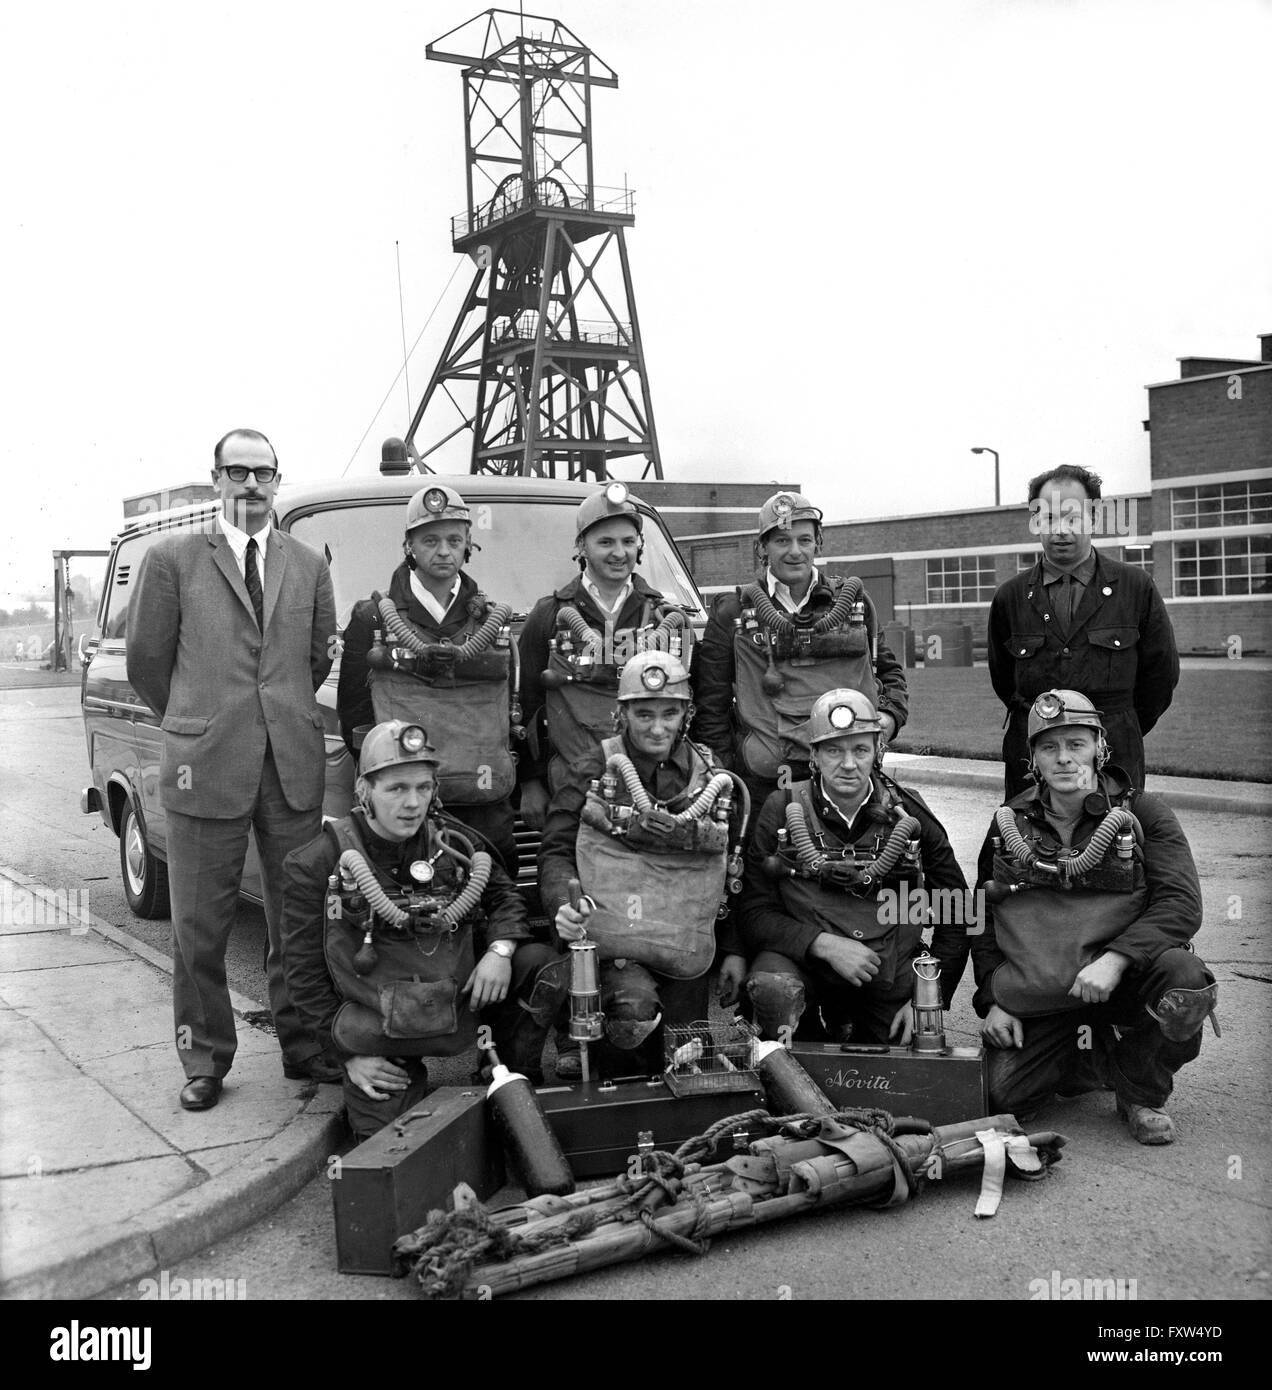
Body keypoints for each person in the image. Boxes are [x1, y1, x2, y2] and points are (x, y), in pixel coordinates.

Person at [126, 428, 339, 1110]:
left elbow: (314, 663)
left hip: (290, 765)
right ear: (216, 478)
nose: (252, 485)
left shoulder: (307, 564)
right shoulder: (173, 560)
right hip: (204, 767)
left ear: (278, 480)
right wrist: (201, 720)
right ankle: (205, 1059)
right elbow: (147, 664)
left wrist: (275, 720)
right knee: (199, 927)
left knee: (298, 918)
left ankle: (304, 1046)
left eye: (264, 473)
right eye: (238, 472)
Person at [280, 721, 567, 1141]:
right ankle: (399, 1077)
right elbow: (302, 973)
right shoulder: (317, 863)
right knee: (390, 1148)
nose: (412, 803)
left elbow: (506, 897)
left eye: (423, 787)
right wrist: (347, 1057)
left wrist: (501, 950)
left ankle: (507, 1071)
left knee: (537, 963)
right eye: (396, 789)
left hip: (454, 1003)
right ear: (364, 792)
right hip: (379, 1026)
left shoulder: (454, 842)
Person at [971, 689, 1218, 1145]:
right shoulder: (1009, 822)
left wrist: (1117, 958)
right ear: (1033, 759)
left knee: (1185, 981)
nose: (1064, 759)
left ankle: (1140, 1091)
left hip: (1119, 982)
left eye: (1076, 744)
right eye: (1049, 747)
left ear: (1100, 748)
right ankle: (1089, 1053)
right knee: (1000, 1095)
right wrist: (992, 998)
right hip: (1044, 990)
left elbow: (1181, 905)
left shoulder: (1144, 814)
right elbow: (981, 912)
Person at [538, 651, 748, 1079]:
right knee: (631, 1019)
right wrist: (564, 903)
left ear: (686, 715)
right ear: (623, 713)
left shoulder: (711, 775)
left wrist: (734, 950)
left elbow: (733, 870)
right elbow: (557, 850)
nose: (657, 727)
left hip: (684, 944)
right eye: (644, 713)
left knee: (687, 1056)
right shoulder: (593, 768)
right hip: (617, 941)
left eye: (669, 713)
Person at [737, 688, 969, 1046]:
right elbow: (753, 912)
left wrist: (929, 995)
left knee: (900, 1064)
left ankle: (853, 1025)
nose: (848, 764)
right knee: (773, 990)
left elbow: (960, 909)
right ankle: (804, 1051)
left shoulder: (911, 813)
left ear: (878, 751)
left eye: (860, 750)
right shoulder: (781, 807)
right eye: (834, 750)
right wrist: (823, 944)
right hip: (808, 964)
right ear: (814, 755)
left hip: (887, 969)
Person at [337, 483, 519, 876]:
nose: (443, 551)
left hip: (482, 801)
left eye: (454, 539)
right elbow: (354, 715)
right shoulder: (373, 618)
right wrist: (389, 785)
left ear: (469, 544)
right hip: (402, 801)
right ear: (409, 546)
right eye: (430, 539)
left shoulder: (491, 619)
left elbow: (512, 713)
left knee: (495, 891)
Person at [690, 491, 908, 814]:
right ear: (762, 548)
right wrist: (727, 777)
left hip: (849, 782)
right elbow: (710, 709)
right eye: (781, 541)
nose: (795, 551)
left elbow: (889, 676)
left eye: (804, 540)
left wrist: (886, 721)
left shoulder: (854, 605)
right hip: (764, 787)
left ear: (818, 543)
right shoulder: (732, 613)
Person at [988, 464, 1180, 800]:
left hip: (1114, 756)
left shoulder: (1135, 588)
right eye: (1048, 517)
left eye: (1072, 517)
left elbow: (1160, 676)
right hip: (1032, 756)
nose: (1060, 530)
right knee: (1026, 843)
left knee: (1114, 846)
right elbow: (1004, 679)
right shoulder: (1011, 597)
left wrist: (1119, 727)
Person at [517, 481, 688, 830]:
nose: (618, 553)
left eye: (628, 542)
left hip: (651, 786)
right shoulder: (548, 616)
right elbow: (527, 705)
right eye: (605, 542)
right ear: (582, 546)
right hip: (570, 783)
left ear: (640, 546)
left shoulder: (664, 616)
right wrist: (530, 781)